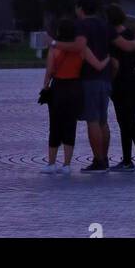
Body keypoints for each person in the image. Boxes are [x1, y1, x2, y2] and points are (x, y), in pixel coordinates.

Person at [53, 0, 135, 172]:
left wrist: (54, 43)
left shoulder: (80, 25)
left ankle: (99, 161)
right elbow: (126, 46)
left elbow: (79, 45)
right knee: (103, 120)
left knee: (93, 120)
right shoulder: (106, 26)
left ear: (80, 9)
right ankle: (104, 159)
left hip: (89, 78)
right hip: (105, 80)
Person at [41, 18, 109, 174]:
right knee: (70, 124)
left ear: (58, 32)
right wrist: (107, 59)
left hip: (58, 87)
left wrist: (45, 87)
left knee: (55, 124)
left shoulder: (54, 49)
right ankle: (67, 164)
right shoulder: (82, 49)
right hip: (75, 88)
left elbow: (49, 71)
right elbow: (97, 65)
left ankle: (51, 163)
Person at [107, 4, 135, 171]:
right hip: (134, 81)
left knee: (123, 122)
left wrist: (110, 81)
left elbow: (115, 65)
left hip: (119, 83)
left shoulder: (112, 37)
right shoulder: (132, 34)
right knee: (132, 121)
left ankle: (128, 160)